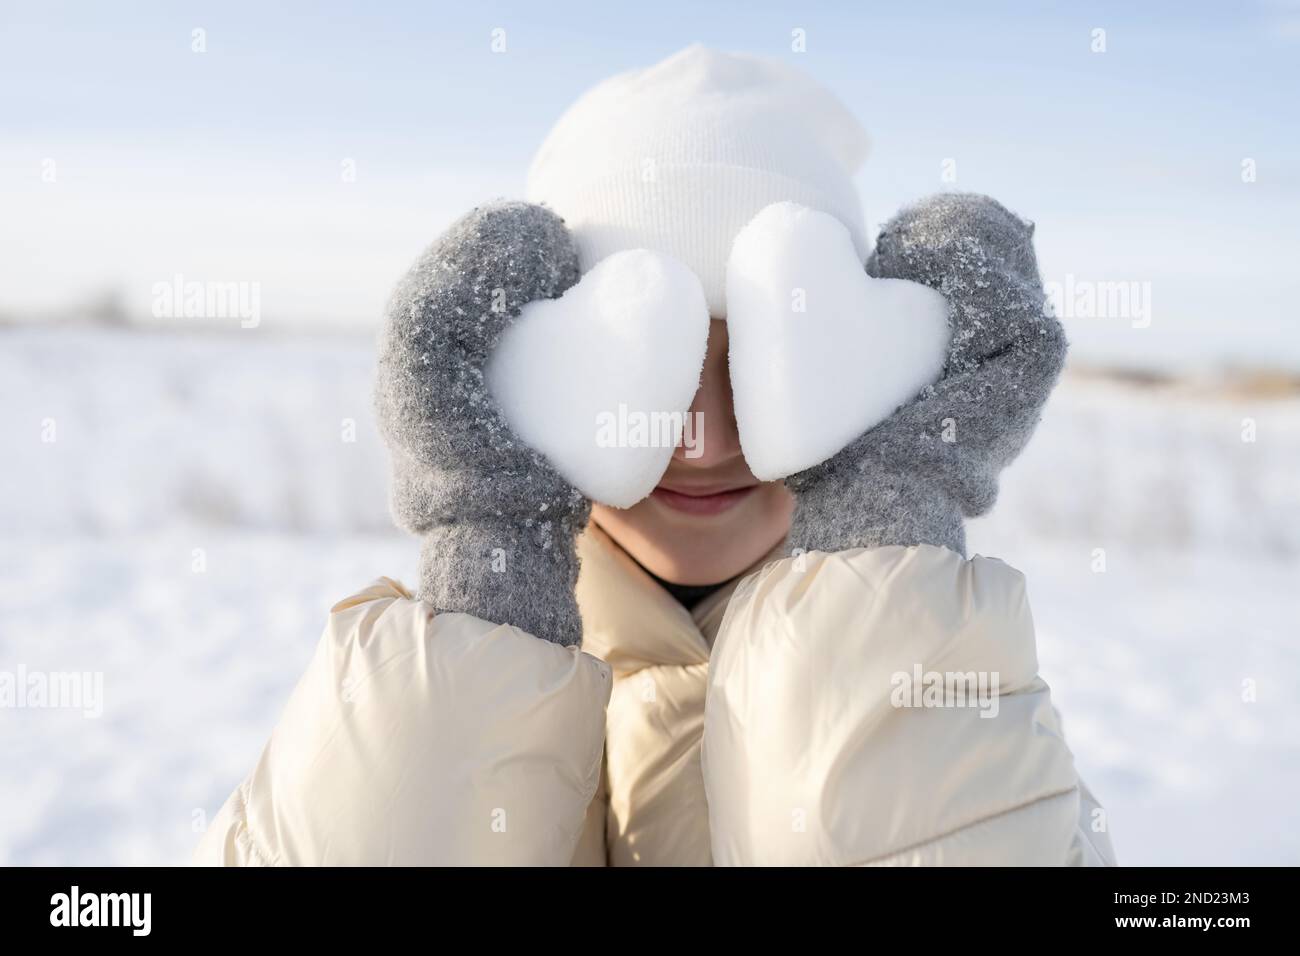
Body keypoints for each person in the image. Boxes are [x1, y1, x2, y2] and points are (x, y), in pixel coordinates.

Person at [194, 46, 1116, 867]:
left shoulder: (971, 699)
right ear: (521, 376)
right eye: (648, 373)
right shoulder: (386, 702)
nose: (703, 440)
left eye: (758, 365)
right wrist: (481, 593)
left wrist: (887, 537)